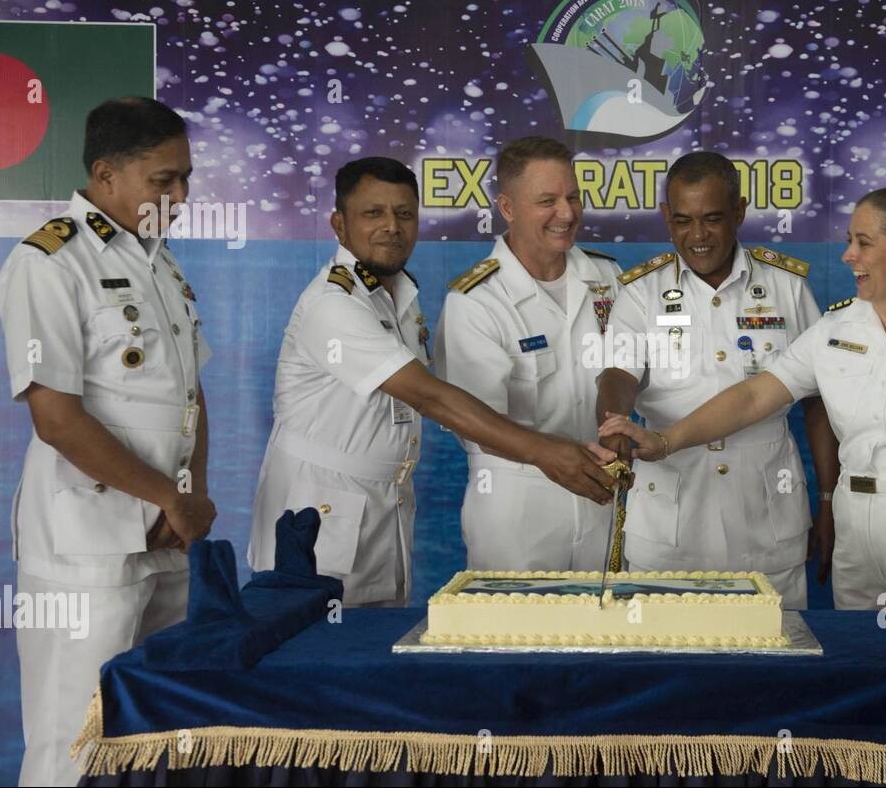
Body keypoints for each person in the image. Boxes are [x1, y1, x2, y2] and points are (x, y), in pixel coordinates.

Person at [599, 187, 886, 773]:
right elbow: (756, 394)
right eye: (850, 241)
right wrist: (668, 440)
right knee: (867, 711)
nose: (848, 255)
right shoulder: (836, 328)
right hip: (858, 540)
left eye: (862, 243)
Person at [248, 157, 616, 606]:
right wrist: (548, 452)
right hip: (317, 515)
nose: (392, 227)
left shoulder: (396, 294)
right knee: (314, 654)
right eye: (373, 214)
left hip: (384, 503)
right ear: (339, 226)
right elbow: (429, 396)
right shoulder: (335, 303)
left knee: (372, 649)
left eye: (404, 214)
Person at [0, 97, 215, 786]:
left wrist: (190, 496)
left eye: (185, 179)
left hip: (165, 535)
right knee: (75, 736)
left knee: (150, 736)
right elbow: (55, 417)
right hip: (87, 541)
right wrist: (165, 496)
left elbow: (190, 393)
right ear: (105, 173)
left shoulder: (160, 262)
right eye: (163, 180)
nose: (179, 196)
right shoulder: (49, 262)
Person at [594, 151, 838, 609]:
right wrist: (613, 421)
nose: (698, 236)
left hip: (764, 510)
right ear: (666, 216)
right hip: (670, 512)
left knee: (774, 659)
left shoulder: (787, 287)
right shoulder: (640, 292)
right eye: (683, 220)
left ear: (740, 212)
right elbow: (616, 373)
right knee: (668, 664)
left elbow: (819, 402)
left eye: (713, 219)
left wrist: (828, 498)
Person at [434, 137, 625, 571]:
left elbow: (633, 369)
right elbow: (474, 424)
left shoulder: (607, 277)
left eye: (573, 196)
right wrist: (553, 454)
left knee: (606, 632)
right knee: (516, 633)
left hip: (603, 494)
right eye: (547, 201)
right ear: (507, 207)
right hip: (518, 505)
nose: (567, 213)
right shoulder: (476, 300)